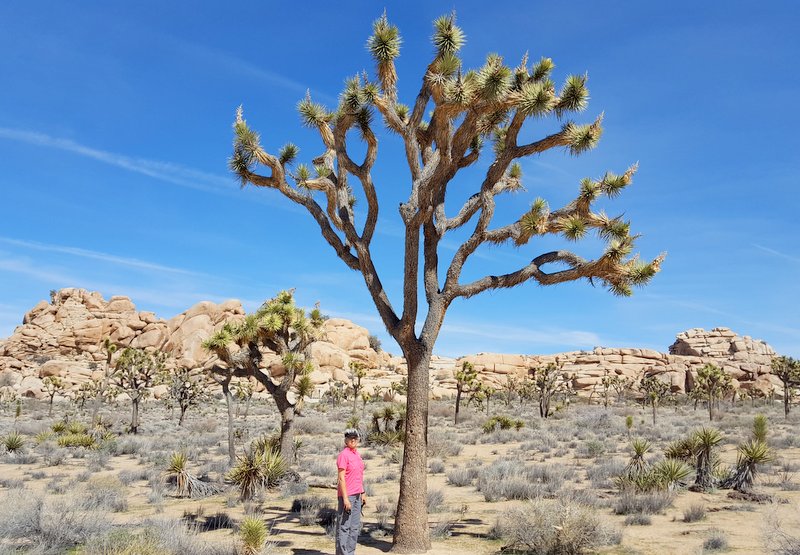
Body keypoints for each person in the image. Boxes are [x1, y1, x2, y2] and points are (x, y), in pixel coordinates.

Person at [336, 428, 366, 555]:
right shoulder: (344, 455)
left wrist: (363, 492)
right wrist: (346, 498)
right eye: (350, 438)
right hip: (347, 496)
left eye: (355, 438)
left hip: (357, 495)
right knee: (344, 527)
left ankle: (350, 552)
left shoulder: (357, 454)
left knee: (354, 527)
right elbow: (341, 478)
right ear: (346, 440)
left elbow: (359, 475)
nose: (353, 440)